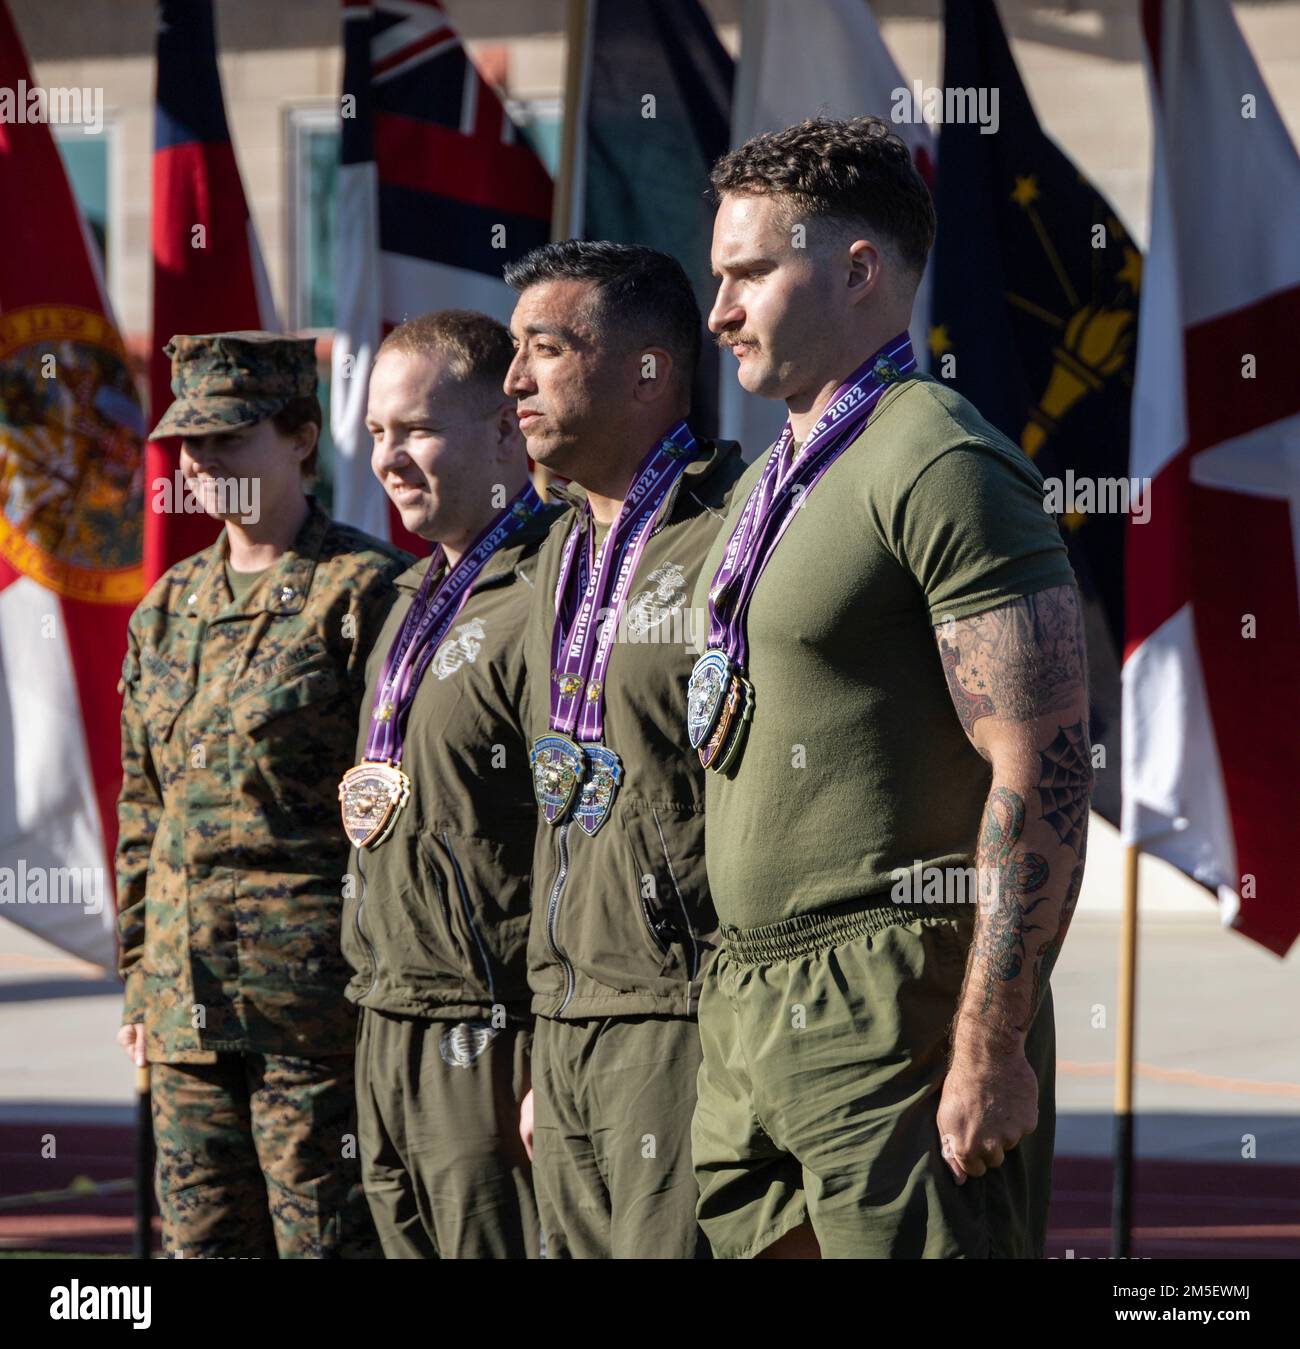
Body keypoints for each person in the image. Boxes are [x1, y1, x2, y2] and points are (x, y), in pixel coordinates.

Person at [690, 116, 1091, 1259]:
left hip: (893, 1002)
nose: (718, 311)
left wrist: (991, 1043)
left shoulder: (939, 460)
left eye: (750, 273)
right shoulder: (772, 476)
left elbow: (1045, 767)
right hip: (750, 1000)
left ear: (859, 270)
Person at [115, 331, 407, 1258]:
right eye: (188, 445)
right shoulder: (165, 607)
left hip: (313, 1014)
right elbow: (142, 811)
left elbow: (398, 811)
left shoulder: (362, 592)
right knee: (199, 1247)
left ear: (300, 437)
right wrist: (136, 982)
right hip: (183, 1004)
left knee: (327, 1244)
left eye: (228, 438)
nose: (201, 463)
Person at [502, 241, 747, 1259]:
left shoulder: (733, 531)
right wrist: (542, 1039)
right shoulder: (550, 552)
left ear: (649, 369)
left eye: (544, 349)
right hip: (564, 1019)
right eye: (515, 351)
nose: (513, 378)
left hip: (679, 1020)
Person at [342, 310, 557, 1258]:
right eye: (378, 431)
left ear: (506, 429)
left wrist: (554, 1051)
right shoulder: (408, 597)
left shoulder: (554, 588)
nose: (390, 458)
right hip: (387, 1016)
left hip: (491, 1030)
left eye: (418, 429)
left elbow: (577, 838)